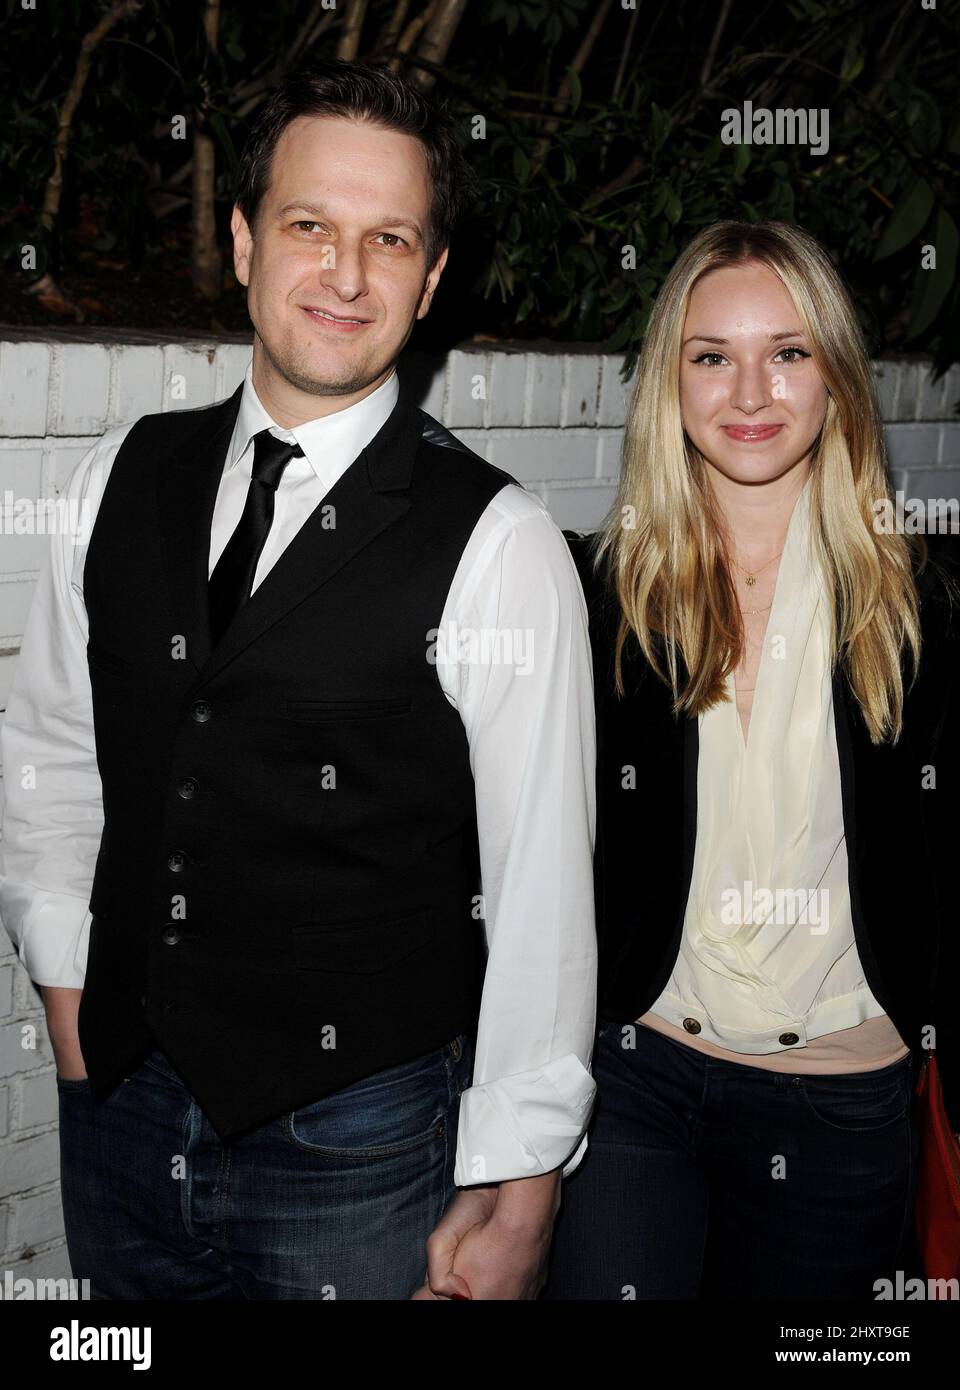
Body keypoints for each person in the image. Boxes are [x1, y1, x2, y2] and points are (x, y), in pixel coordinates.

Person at [0, 58, 598, 1301]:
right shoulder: (117, 477)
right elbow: (54, 749)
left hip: (359, 1143)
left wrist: (524, 1178)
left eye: (389, 240)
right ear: (242, 239)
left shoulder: (501, 542)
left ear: (431, 280)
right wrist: (67, 996)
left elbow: (542, 882)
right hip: (117, 1101)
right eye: (309, 225)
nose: (344, 274)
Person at [544, 219, 959, 1300]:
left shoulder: (924, 601)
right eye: (712, 356)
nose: (750, 393)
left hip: (842, 1091)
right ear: (670, 384)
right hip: (637, 1076)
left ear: (836, 375)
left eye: (788, 352)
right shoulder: (598, 594)